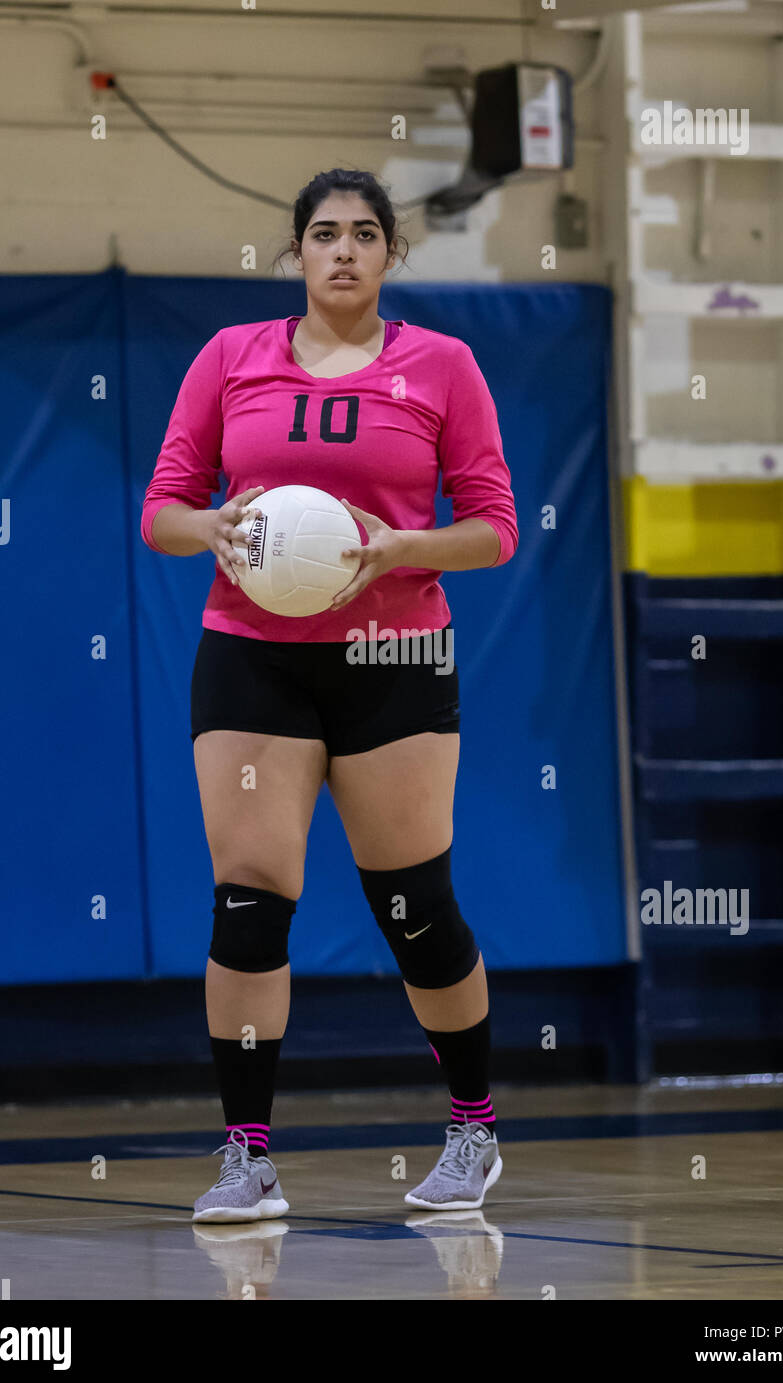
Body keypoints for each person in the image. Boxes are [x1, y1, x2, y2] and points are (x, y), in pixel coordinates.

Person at [140, 168, 518, 1222]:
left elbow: (496, 527)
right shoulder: (232, 359)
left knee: (414, 907)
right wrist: (214, 526)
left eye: (363, 234)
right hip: (252, 654)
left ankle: (473, 1125)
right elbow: (163, 509)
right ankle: (247, 1156)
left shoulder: (443, 366)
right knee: (250, 896)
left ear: (392, 255)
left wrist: (404, 546)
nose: (343, 249)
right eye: (322, 233)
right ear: (296, 254)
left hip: (393, 654)